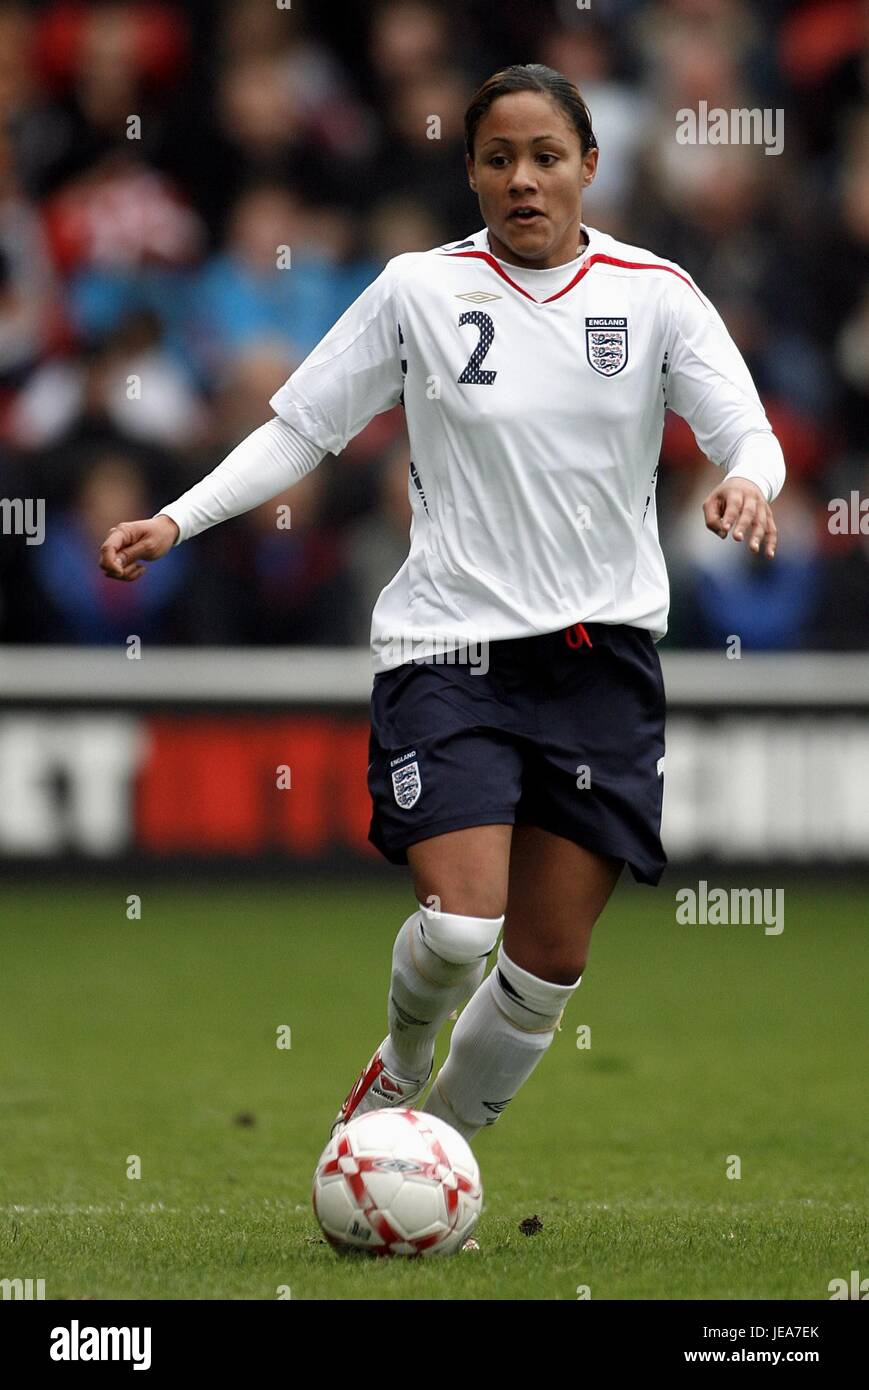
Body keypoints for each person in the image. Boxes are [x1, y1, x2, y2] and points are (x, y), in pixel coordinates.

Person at [98, 64, 784, 1148]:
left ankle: (435, 1159)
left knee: (548, 960)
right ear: (468, 171)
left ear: (587, 169)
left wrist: (747, 480)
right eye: (499, 158)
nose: (523, 179)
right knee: (462, 925)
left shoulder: (652, 292)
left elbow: (746, 432)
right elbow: (301, 427)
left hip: (600, 657)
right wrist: (179, 518)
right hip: (449, 647)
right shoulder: (418, 289)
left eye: (545, 157)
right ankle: (402, 1057)